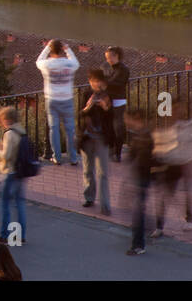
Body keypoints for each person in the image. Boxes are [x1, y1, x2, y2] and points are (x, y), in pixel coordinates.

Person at [151, 107, 192, 238]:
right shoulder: (166, 127)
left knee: (187, 192)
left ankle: (189, 219)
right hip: (171, 164)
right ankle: (159, 226)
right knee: (164, 194)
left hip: (186, 162)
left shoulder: (191, 125)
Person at [78, 69, 116, 216]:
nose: (96, 84)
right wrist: (88, 107)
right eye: (93, 82)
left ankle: (105, 205)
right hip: (87, 136)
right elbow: (80, 114)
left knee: (103, 172)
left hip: (102, 137)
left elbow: (111, 116)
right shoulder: (86, 94)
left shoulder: (108, 95)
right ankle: (89, 197)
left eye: (98, 82)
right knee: (88, 169)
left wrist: (105, 108)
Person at [36, 38, 80, 165]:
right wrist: (68, 49)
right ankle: (73, 157)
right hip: (67, 99)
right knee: (70, 130)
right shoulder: (70, 64)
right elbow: (76, 63)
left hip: (51, 99)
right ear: (62, 50)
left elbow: (38, 61)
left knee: (53, 129)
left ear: (51, 51)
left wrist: (47, 47)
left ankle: (57, 157)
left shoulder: (46, 65)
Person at [0, 106, 29, 246]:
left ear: (6, 119)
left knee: (5, 203)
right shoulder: (21, 131)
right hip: (21, 171)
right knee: (20, 203)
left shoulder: (9, 134)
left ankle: (5, 234)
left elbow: (6, 155)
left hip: (9, 171)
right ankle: (20, 235)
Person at [124, 108, 154, 256]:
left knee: (138, 211)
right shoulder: (138, 135)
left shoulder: (146, 136)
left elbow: (148, 158)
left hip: (143, 178)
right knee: (138, 209)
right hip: (139, 177)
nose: (126, 122)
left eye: (129, 119)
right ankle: (144, 232)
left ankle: (138, 244)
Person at [103, 46, 130, 162]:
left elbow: (116, 83)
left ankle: (117, 152)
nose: (108, 60)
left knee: (118, 127)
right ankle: (111, 150)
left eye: (110, 57)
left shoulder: (123, 69)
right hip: (109, 100)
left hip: (118, 100)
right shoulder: (109, 67)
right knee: (109, 126)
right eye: (107, 58)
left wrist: (104, 82)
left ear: (116, 56)